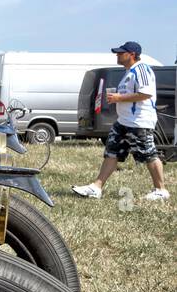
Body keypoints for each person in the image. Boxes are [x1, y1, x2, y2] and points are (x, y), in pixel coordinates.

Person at [72, 41, 169, 202]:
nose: (117, 55)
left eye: (120, 53)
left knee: (149, 154)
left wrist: (119, 97)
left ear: (131, 54)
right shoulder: (128, 72)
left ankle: (161, 190)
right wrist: (118, 99)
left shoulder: (142, 69)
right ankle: (96, 187)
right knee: (112, 152)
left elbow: (146, 93)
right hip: (124, 122)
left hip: (139, 122)